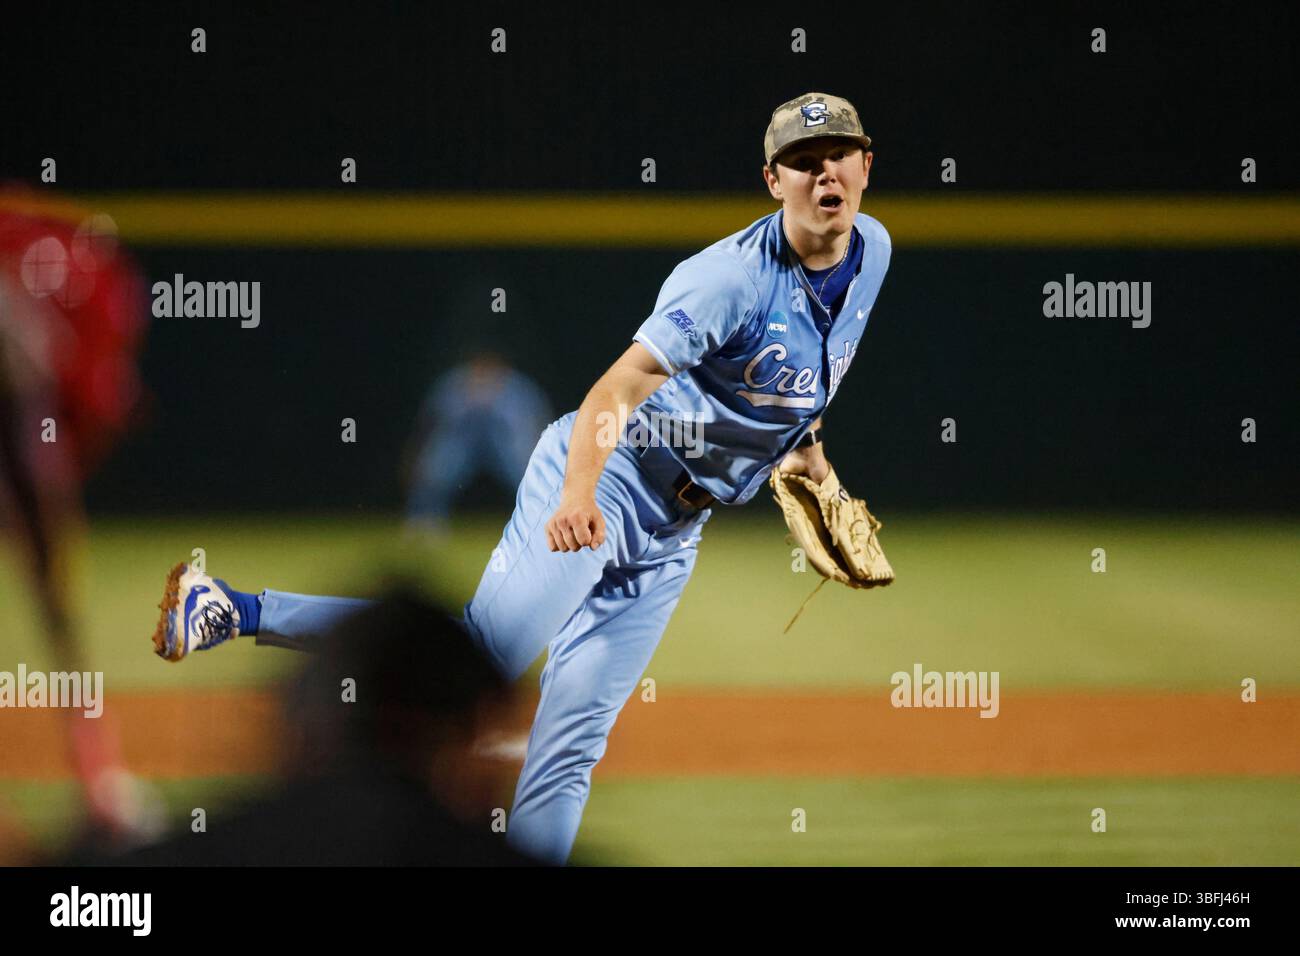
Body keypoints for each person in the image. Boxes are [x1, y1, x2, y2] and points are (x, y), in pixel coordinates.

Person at [151, 92, 892, 865]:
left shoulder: (873, 252)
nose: (824, 174)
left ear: (865, 167)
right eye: (802, 162)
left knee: (572, 744)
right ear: (772, 181)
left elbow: (802, 382)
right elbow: (618, 388)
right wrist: (577, 496)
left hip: (674, 532)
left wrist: (809, 456)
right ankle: (233, 609)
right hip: (609, 476)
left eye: (838, 155)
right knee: (477, 656)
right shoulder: (726, 280)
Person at [0, 190, 154, 843]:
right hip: (22, 428)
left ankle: (99, 774)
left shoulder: (35, 244)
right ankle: (101, 776)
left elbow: (35, 360)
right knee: (58, 610)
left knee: (58, 608)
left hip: (19, 429)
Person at [403, 349, 552, 533]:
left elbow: (536, 423)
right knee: (436, 467)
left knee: (529, 471)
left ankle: (541, 520)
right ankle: (424, 521)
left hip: (504, 442)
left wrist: (544, 458)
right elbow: (431, 423)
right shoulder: (453, 384)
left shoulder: (518, 387)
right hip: (463, 441)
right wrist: (417, 453)